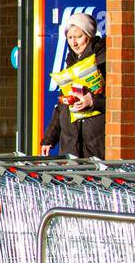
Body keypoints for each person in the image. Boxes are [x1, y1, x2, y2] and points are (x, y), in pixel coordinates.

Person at [42, 12, 105, 159]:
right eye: (70, 37)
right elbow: (62, 105)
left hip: (95, 143)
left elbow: (118, 101)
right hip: (71, 144)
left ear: (89, 36)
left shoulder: (103, 60)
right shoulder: (70, 62)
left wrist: (92, 101)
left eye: (78, 37)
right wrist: (49, 138)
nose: (74, 43)